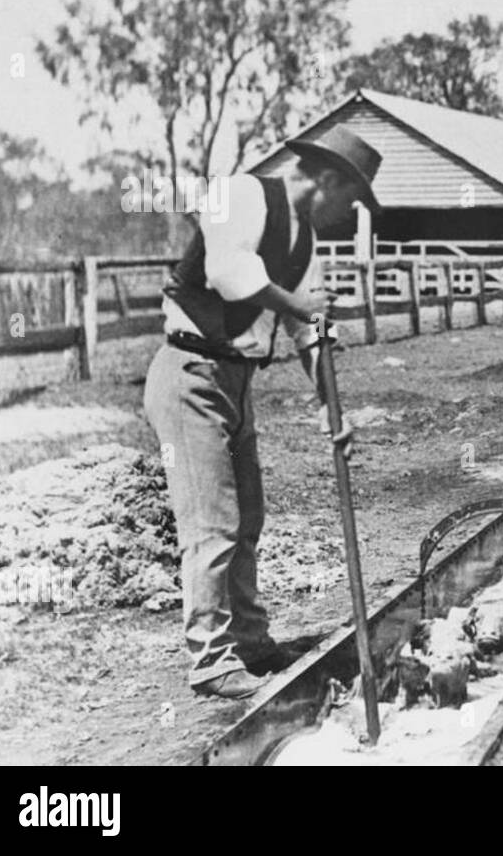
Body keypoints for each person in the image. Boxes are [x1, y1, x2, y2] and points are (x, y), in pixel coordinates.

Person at [144, 125, 382, 699]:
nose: (347, 214)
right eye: (350, 200)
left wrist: (332, 411)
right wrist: (297, 303)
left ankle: (251, 641)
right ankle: (210, 657)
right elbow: (227, 273)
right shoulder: (244, 193)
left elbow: (308, 328)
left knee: (248, 516)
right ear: (327, 180)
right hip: (189, 372)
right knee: (212, 521)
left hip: (234, 379)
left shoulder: (304, 241)